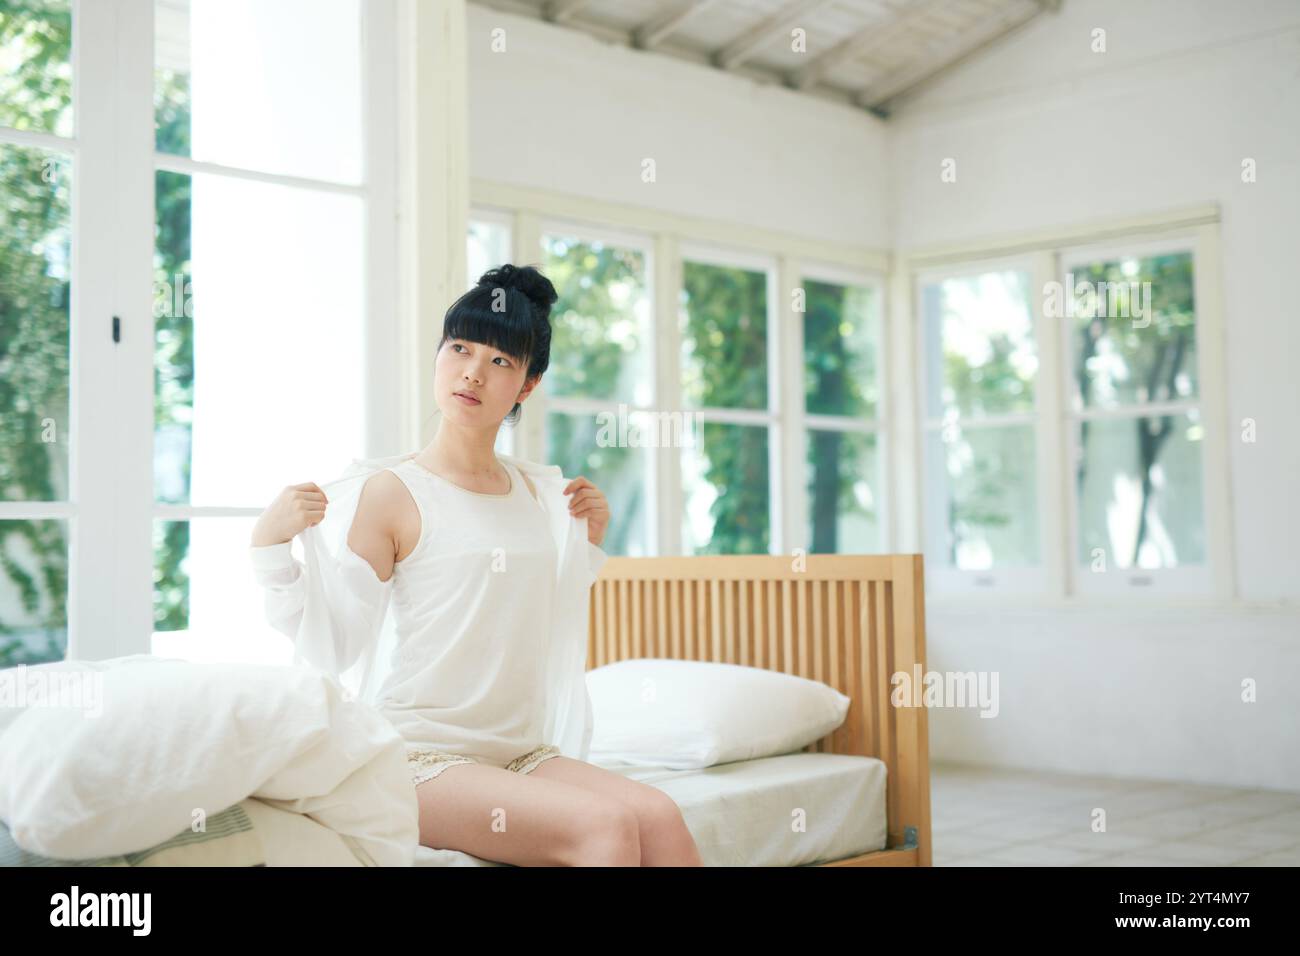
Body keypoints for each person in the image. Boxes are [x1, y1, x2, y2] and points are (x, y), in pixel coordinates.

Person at [249, 263, 701, 867]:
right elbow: (337, 636)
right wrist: (269, 548)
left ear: (527, 385)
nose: (472, 371)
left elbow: (533, 613)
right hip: (418, 759)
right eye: (460, 348)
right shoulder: (393, 492)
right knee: (605, 826)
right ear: (438, 355)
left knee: (660, 817)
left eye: (500, 361)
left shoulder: (538, 494)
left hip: (520, 753)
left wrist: (585, 544)